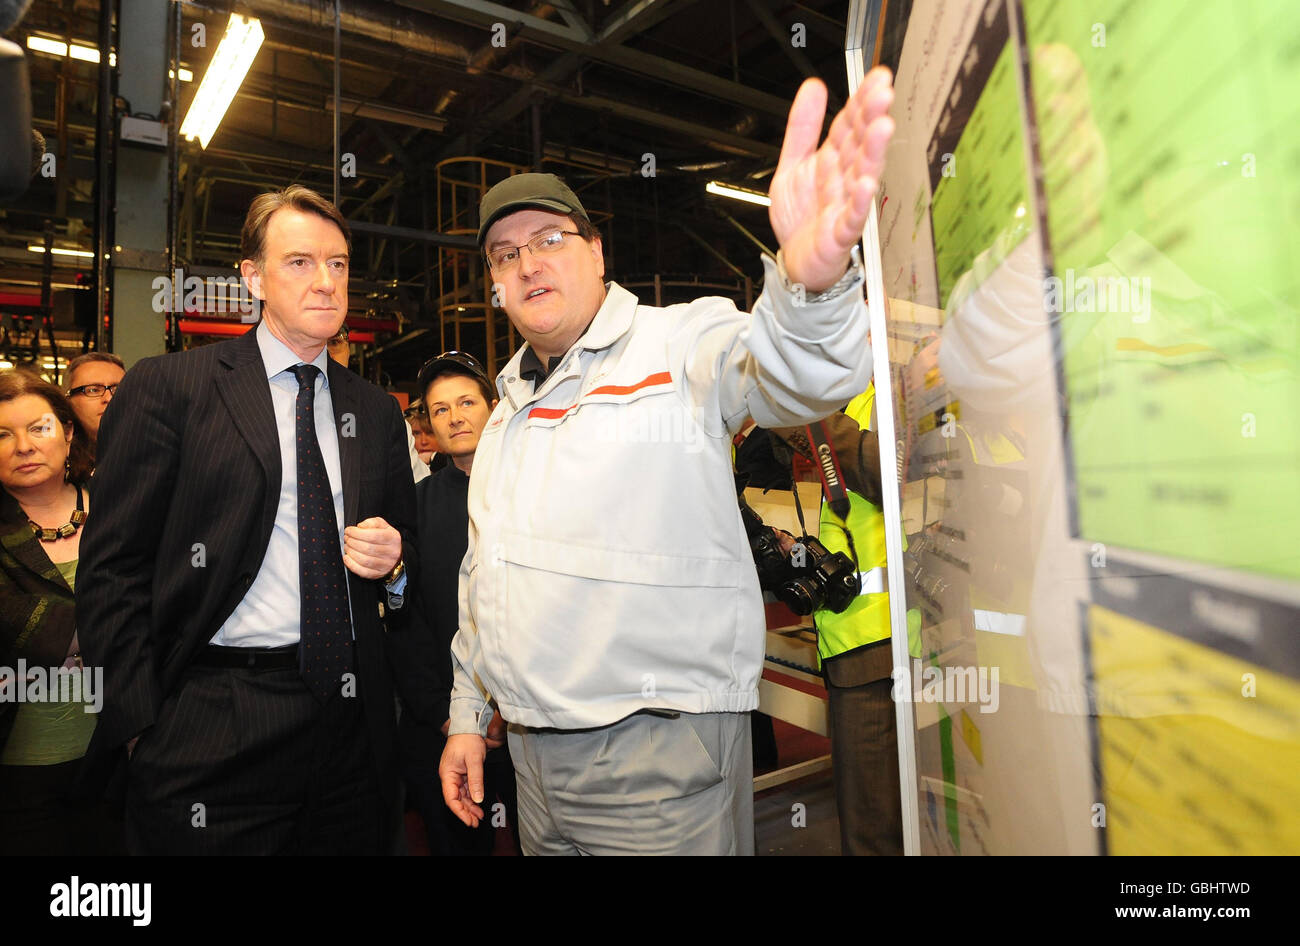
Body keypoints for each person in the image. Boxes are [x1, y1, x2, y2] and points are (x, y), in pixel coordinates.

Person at [439, 69, 896, 855]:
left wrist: (812, 292)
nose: (527, 263)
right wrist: (465, 718)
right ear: (496, 288)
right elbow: (483, 578)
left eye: (549, 239)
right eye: (504, 254)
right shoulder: (507, 411)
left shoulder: (679, 344)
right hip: (532, 764)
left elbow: (797, 380)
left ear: (595, 251)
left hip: (658, 762)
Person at [77, 184, 441, 855]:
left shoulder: (377, 412)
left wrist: (394, 564)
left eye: (338, 264)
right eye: (300, 262)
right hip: (211, 720)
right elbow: (112, 570)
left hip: (353, 727)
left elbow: (410, 554)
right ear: (253, 277)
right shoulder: (171, 388)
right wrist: (140, 728)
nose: (327, 282)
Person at [402, 350, 519, 855]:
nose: (455, 416)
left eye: (467, 401)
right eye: (440, 409)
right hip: (444, 727)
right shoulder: (416, 507)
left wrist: (509, 711)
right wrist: (451, 716)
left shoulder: (533, 492)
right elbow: (406, 622)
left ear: (494, 406)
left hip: (533, 720)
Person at [0, 369, 118, 854]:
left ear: (67, 432)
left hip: (120, 755)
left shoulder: (120, 508)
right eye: (2, 435)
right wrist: (114, 625)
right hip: (19, 769)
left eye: (39, 428)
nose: (23, 446)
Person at [64, 352, 124, 470]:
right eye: (93, 390)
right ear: (67, 400)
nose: (109, 398)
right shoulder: (57, 467)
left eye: (118, 390)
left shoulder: (153, 456)